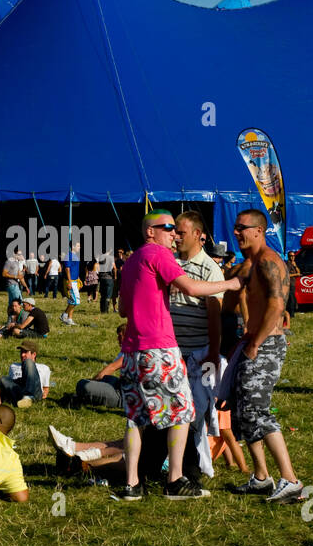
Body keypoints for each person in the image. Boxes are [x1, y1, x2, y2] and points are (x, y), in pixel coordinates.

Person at [113, 210, 239, 501]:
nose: (173, 234)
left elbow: (122, 310)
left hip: (132, 351)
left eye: (175, 229)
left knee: (135, 419)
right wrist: (231, 284)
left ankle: (132, 485)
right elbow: (192, 287)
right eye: (167, 228)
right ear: (150, 232)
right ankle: (176, 481)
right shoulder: (159, 254)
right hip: (159, 348)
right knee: (183, 412)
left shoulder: (132, 260)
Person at [223, 209, 304, 503]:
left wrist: (255, 342)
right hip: (253, 342)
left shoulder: (270, 261)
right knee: (245, 413)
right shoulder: (251, 264)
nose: (236, 233)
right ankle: (261, 477)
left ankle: (291, 480)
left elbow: (276, 306)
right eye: (235, 228)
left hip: (266, 345)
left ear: (259, 230)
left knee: (259, 411)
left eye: (241, 228)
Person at [171, 210, 224, 481]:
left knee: (193, 414)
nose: (175, 237)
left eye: (181, 232)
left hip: (197, 352)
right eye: (174, 232)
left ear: (197, 235)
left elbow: (215, 316)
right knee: (170, 409)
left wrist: (213, 354)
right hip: (170, 351)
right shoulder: (169, 262)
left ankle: (190, 467)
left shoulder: (209, 269)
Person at [74, 323, 127, 409]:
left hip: (123, 396)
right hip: (121, 385)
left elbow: (111, 367)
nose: (118, 339)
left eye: (120, 336)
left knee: (83, 385)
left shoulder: (131, 353)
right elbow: (106, 372)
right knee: (105, 378)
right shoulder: (125, 351)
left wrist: (91, 381)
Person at [0, 340, 49, 409]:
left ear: (34, 354)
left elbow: (45, 389)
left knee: (28, 362)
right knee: (3, 379)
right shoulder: (13, 366)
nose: (22, 355)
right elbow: (11, 384)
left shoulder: (44, 367)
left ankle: (29, 396)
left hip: (35, 392)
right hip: (19, 390)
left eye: (25, 352)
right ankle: (23, 399)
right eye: (21, 352)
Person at [61, 244, 81, 325]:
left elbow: (74, 268)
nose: (80, 247)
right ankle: (64, 315)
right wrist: (69, 281)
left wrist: (78, 278)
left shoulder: (75, 256)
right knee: (76, 301)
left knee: (71, 301)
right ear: (73, 246)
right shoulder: (68, 256)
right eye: (78, 246)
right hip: (71, 281)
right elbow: (67, 269)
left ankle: (69, 319)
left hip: (75, 280)